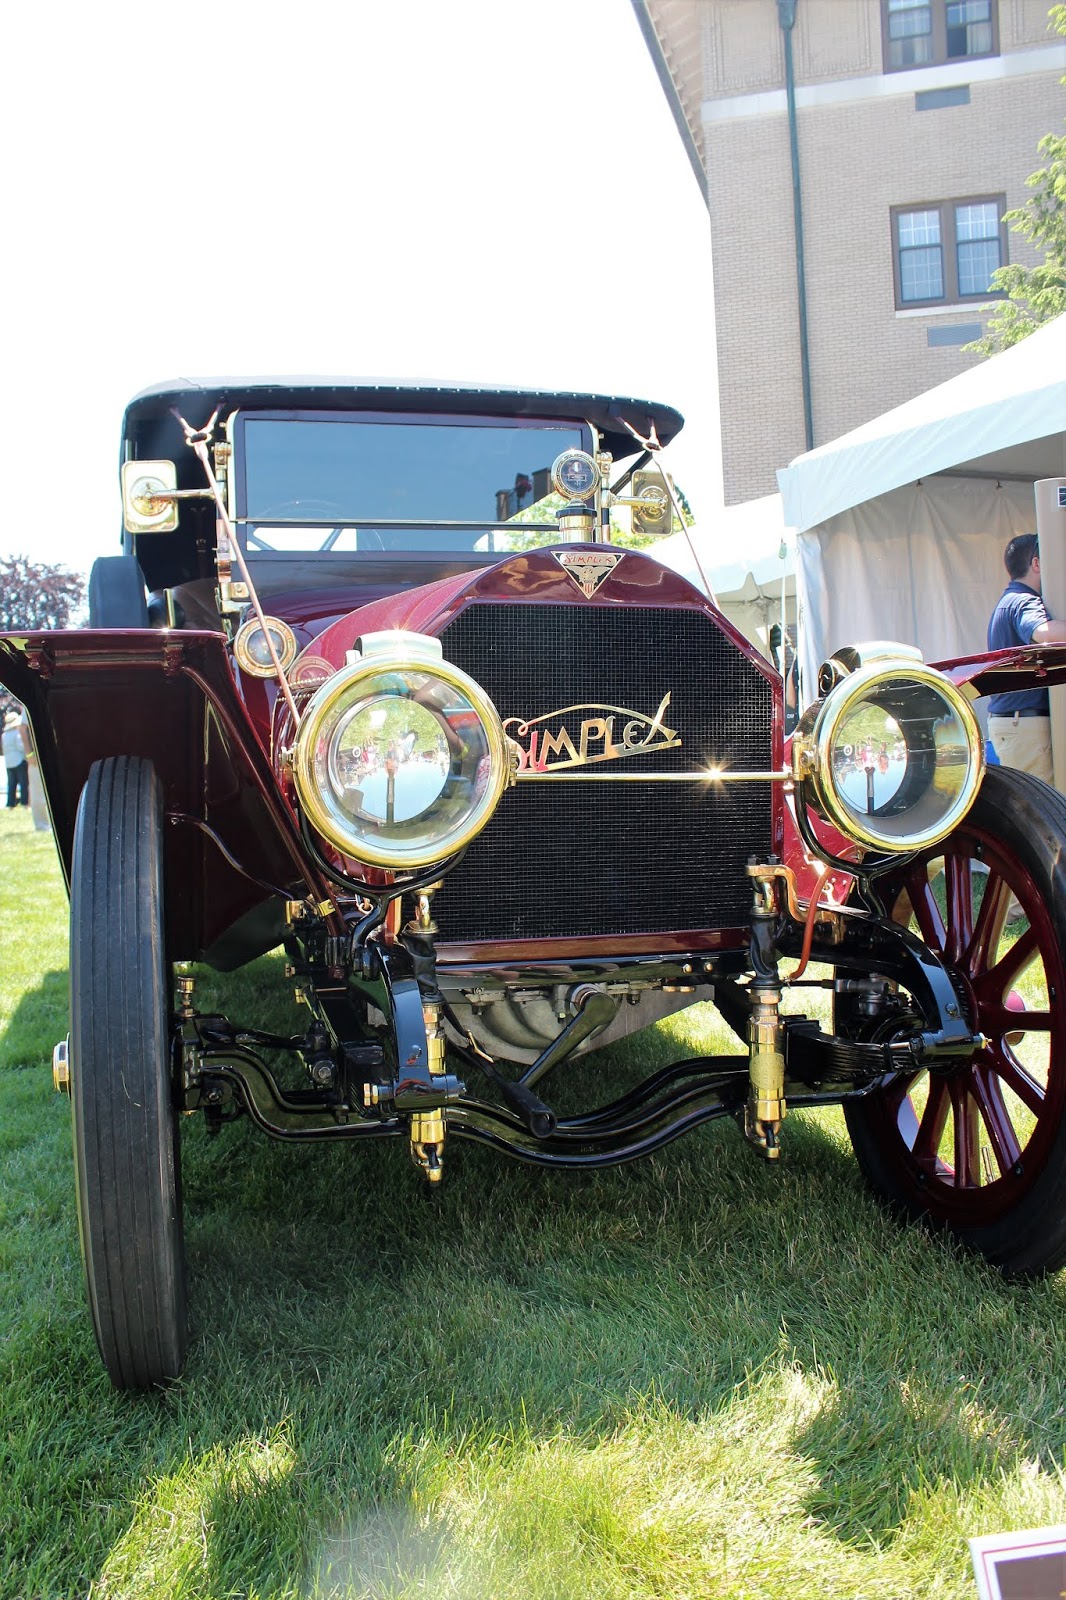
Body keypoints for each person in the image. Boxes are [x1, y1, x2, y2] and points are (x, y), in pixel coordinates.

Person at [986, 532, 1066, 785]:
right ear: (1036, 564)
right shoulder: (1023, 600)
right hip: (1025, 725)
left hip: (1018, 724)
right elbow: (1044, 632)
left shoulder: (1009, 600)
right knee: (1044, 813)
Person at [3, 708, 29, 808]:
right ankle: (24, 802)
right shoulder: (16, 733)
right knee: (23, 783)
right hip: (19, 761)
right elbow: (21, 747)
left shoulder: (4, 735)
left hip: (9, 763)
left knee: (11, 784)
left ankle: (10, 803)